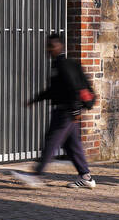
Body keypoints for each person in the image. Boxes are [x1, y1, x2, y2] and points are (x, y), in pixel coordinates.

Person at [10, 33, 96, 188]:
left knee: (51, 142)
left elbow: (74, 88)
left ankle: (36, 176)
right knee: (72, 146)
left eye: (52, 46)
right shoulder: (58, 65)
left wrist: (75, 111)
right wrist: (35, 99)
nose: (49, 49)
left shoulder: (62, 65)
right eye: (48, 46)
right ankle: (86, 177)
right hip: (69, 112)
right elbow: (53, 90)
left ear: (60, 46)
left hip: (66, 112)